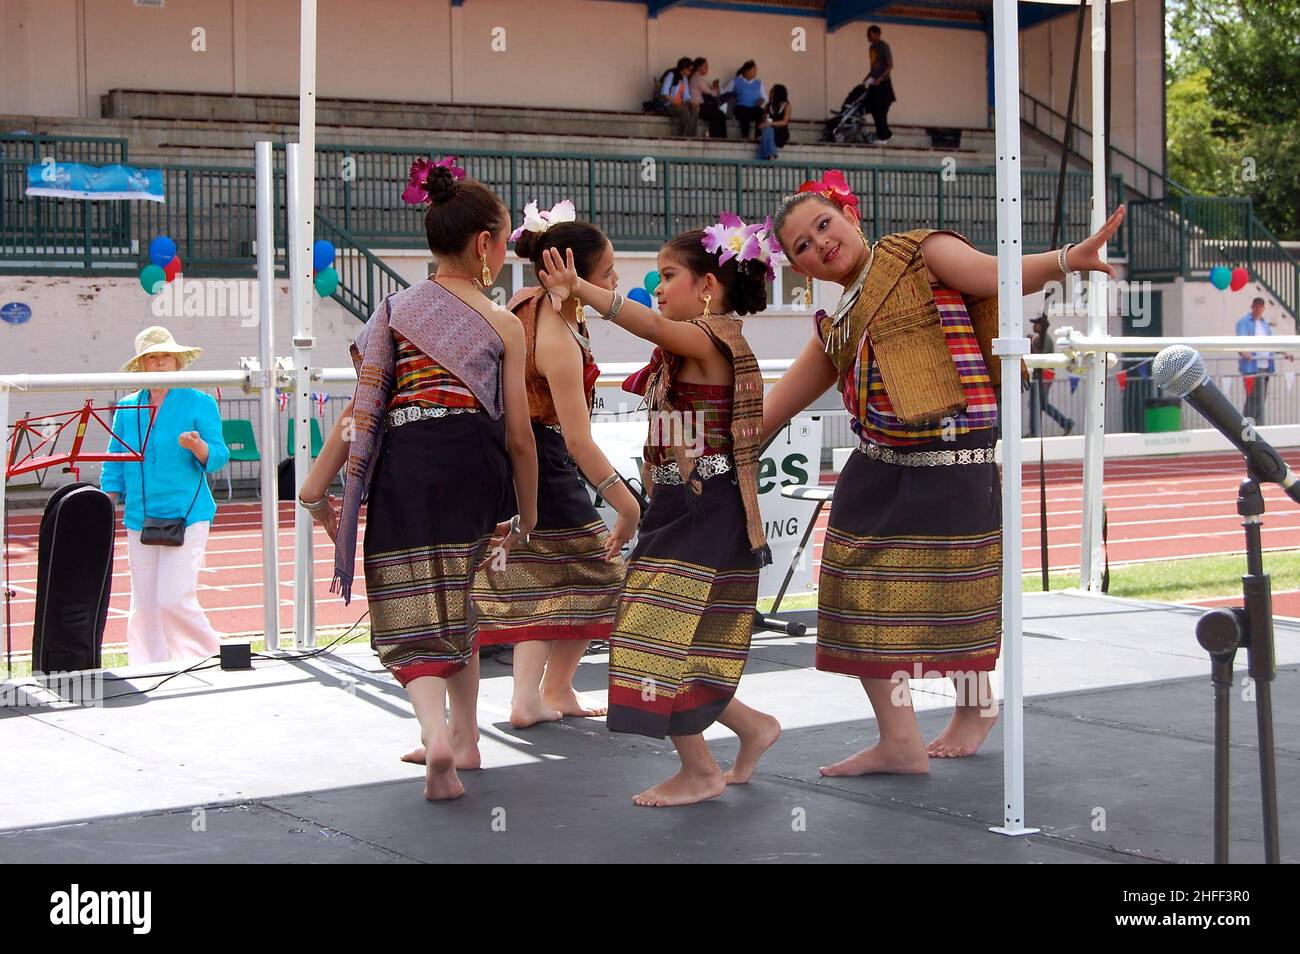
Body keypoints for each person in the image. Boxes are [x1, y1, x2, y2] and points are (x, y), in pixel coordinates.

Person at [765, 169, 1125, 774]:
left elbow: (998, 277)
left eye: (822, 224)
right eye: (803, 245)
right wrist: (720, 444)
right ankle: (901, 743)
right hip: (878, 465)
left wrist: (1067, 259)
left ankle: (974, 707)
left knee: (963, 595)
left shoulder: (922, 251)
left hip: (956, 457)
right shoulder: (839, 321)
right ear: (802, 270)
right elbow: (780, 403)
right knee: (854, 596)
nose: (819, 243)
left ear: (848, 214)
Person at [298, 156, 539, 802]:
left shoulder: (393, 312)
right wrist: (528, 511)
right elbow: (518, 433)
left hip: (407, 461)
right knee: (461, 596)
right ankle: (466, 739)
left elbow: (363, 408)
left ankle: (438, 736)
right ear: (485, 244)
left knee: (409, 599)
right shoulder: (506, 323)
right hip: (475, 464)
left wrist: (318, 485)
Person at [536, 214, 782, 807]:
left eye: (667, 275)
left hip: (706, 509)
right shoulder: (685, 355)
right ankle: (751, 727)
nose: (659, 287)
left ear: (708, 287)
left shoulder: (709, 338)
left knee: (650, 634)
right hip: (681, 507)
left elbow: (640, 318)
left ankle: (699, 770)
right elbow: (678, 426)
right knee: (679, 639)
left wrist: (582, 292)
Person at [469, 203, 641, 728]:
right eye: (609, 271)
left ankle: (550, 691)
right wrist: (626, 504)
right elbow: (578, 439)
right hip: (543, 458)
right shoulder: (557, 336)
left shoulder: (529, 302)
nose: (617, 280)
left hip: (524, 455)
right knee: (598, 575)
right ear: (572, 273)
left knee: (553, 576)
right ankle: (534, 696)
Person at [101, 326, 231, 665]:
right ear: (142, 365)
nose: (159, 364)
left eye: (165, 357)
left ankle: (213, 658)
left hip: (188, 516)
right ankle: (148, 667)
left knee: (173, 598)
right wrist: (104, 504)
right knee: (143, 604)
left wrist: (198, 446)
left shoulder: (199, 402)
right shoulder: (128, 407)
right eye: (152, 358)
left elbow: (218, 455)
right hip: (139, 518)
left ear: (177, 362)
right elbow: (114, 461)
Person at [1235, 297, 1285, 424]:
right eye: (1256, 306)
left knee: (1261, 398)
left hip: (1265, 366)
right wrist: (1244, 352)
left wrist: (1285, 352)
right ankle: (1246, 426)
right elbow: (1240, 342)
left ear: (1263, 308)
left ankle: (1257, 426)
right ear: (1252, 307)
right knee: (1253, 398)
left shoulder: (1264, 324)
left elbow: (1272, 342)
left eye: (1260, 307)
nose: (1258, 309)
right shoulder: (1244, 322)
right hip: (1251, 367)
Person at [1028, 314, 1073, 436]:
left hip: (1044, 375)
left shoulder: (1045, 339)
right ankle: (1034, 431)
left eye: (1036, 323)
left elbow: (1040, 357)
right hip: (1041, 376)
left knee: (1040, 403)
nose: (1034, 326)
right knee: (1036, 403)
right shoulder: (1042, 339)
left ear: (1041, 326)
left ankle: (1064, 423)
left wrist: (1031, 346)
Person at [863, 25, 895, 145]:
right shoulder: (872, 47)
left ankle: (884, 136)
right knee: (873, 108)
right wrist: (868, 77)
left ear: (877, 34)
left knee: (881, 109)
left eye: (870, 34)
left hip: (883, 84)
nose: (868, 36)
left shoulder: (883, 46)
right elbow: (875, 66)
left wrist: (880, 78)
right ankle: (885, 134)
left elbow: (890, 65)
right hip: (874, 83)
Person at [724, 61, 766, 138]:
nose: (755, 72)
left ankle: (758, 135)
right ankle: (745, 136)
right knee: (745, 112)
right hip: (740, 107)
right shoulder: (736, 81)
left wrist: (762, 100)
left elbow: (765, 98)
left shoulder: (758, 83)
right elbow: (725, 92)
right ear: (747, 71)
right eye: (754, 70)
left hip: (753, 108)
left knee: (761, 112)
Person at [658, 57, 696, 136]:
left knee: (696, 108)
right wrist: (677, 103)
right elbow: (665, 93)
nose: (690, 72)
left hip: (678, 103)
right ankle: (682, 136)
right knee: (685, 111)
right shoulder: (671, 74)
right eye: (689, 69)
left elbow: (686, 96)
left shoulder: (684, 79)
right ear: (683, 68)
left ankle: (691, 135)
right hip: (668, 104)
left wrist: (691, 103)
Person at [690, 57, 722, 138]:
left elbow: (707, 90)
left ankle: (720, 137)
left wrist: (713, 88)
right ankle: (715, 137)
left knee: (720, 114)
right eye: (705, 66)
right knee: (718, 114)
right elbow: (710, 93)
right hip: (698, 107)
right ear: (698, 67)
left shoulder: (697, 77)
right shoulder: (698, 77)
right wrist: (716, 89)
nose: (707, 68)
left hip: (701, 106)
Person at [758, 84, 791, 160]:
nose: (770, 92)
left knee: (767, 132)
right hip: (769, 131)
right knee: (767, 131)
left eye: (772, 91)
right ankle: (771, 156)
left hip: (780, 132)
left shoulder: (786, 105)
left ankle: (760, 160)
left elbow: (784, 122)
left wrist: (770, 124)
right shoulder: (768, 106)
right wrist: (762, 124)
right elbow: (764, 122)